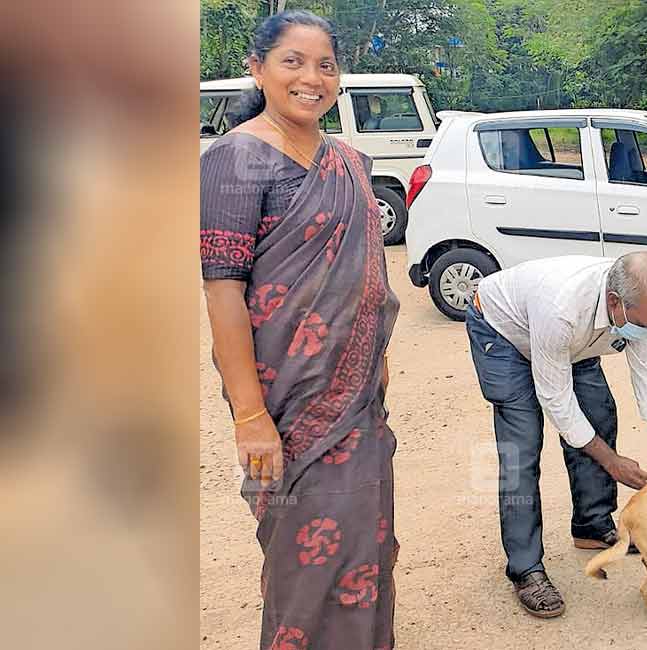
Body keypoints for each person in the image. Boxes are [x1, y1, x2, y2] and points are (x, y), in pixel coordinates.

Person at [201, 11, 402, 649]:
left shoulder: (350, 162)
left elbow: (368, 276)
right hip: (285, 402)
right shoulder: (236, 159)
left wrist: (374, 359)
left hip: (358, 403)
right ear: (257, 69)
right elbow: (223, 292)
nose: (312, 78)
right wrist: (249, 416)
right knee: (304, 555)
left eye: (326, 65)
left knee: (367, 540)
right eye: (293, 61)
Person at [466, 253, 647, 619]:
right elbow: (557, 400)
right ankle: (525, 568)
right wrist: (612, 462)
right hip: (504, 333)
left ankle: (592, 525)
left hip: (573, 342)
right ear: (614, 303)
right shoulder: (561, 308)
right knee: (521, 447)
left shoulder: (640, 311)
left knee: (598, 414)